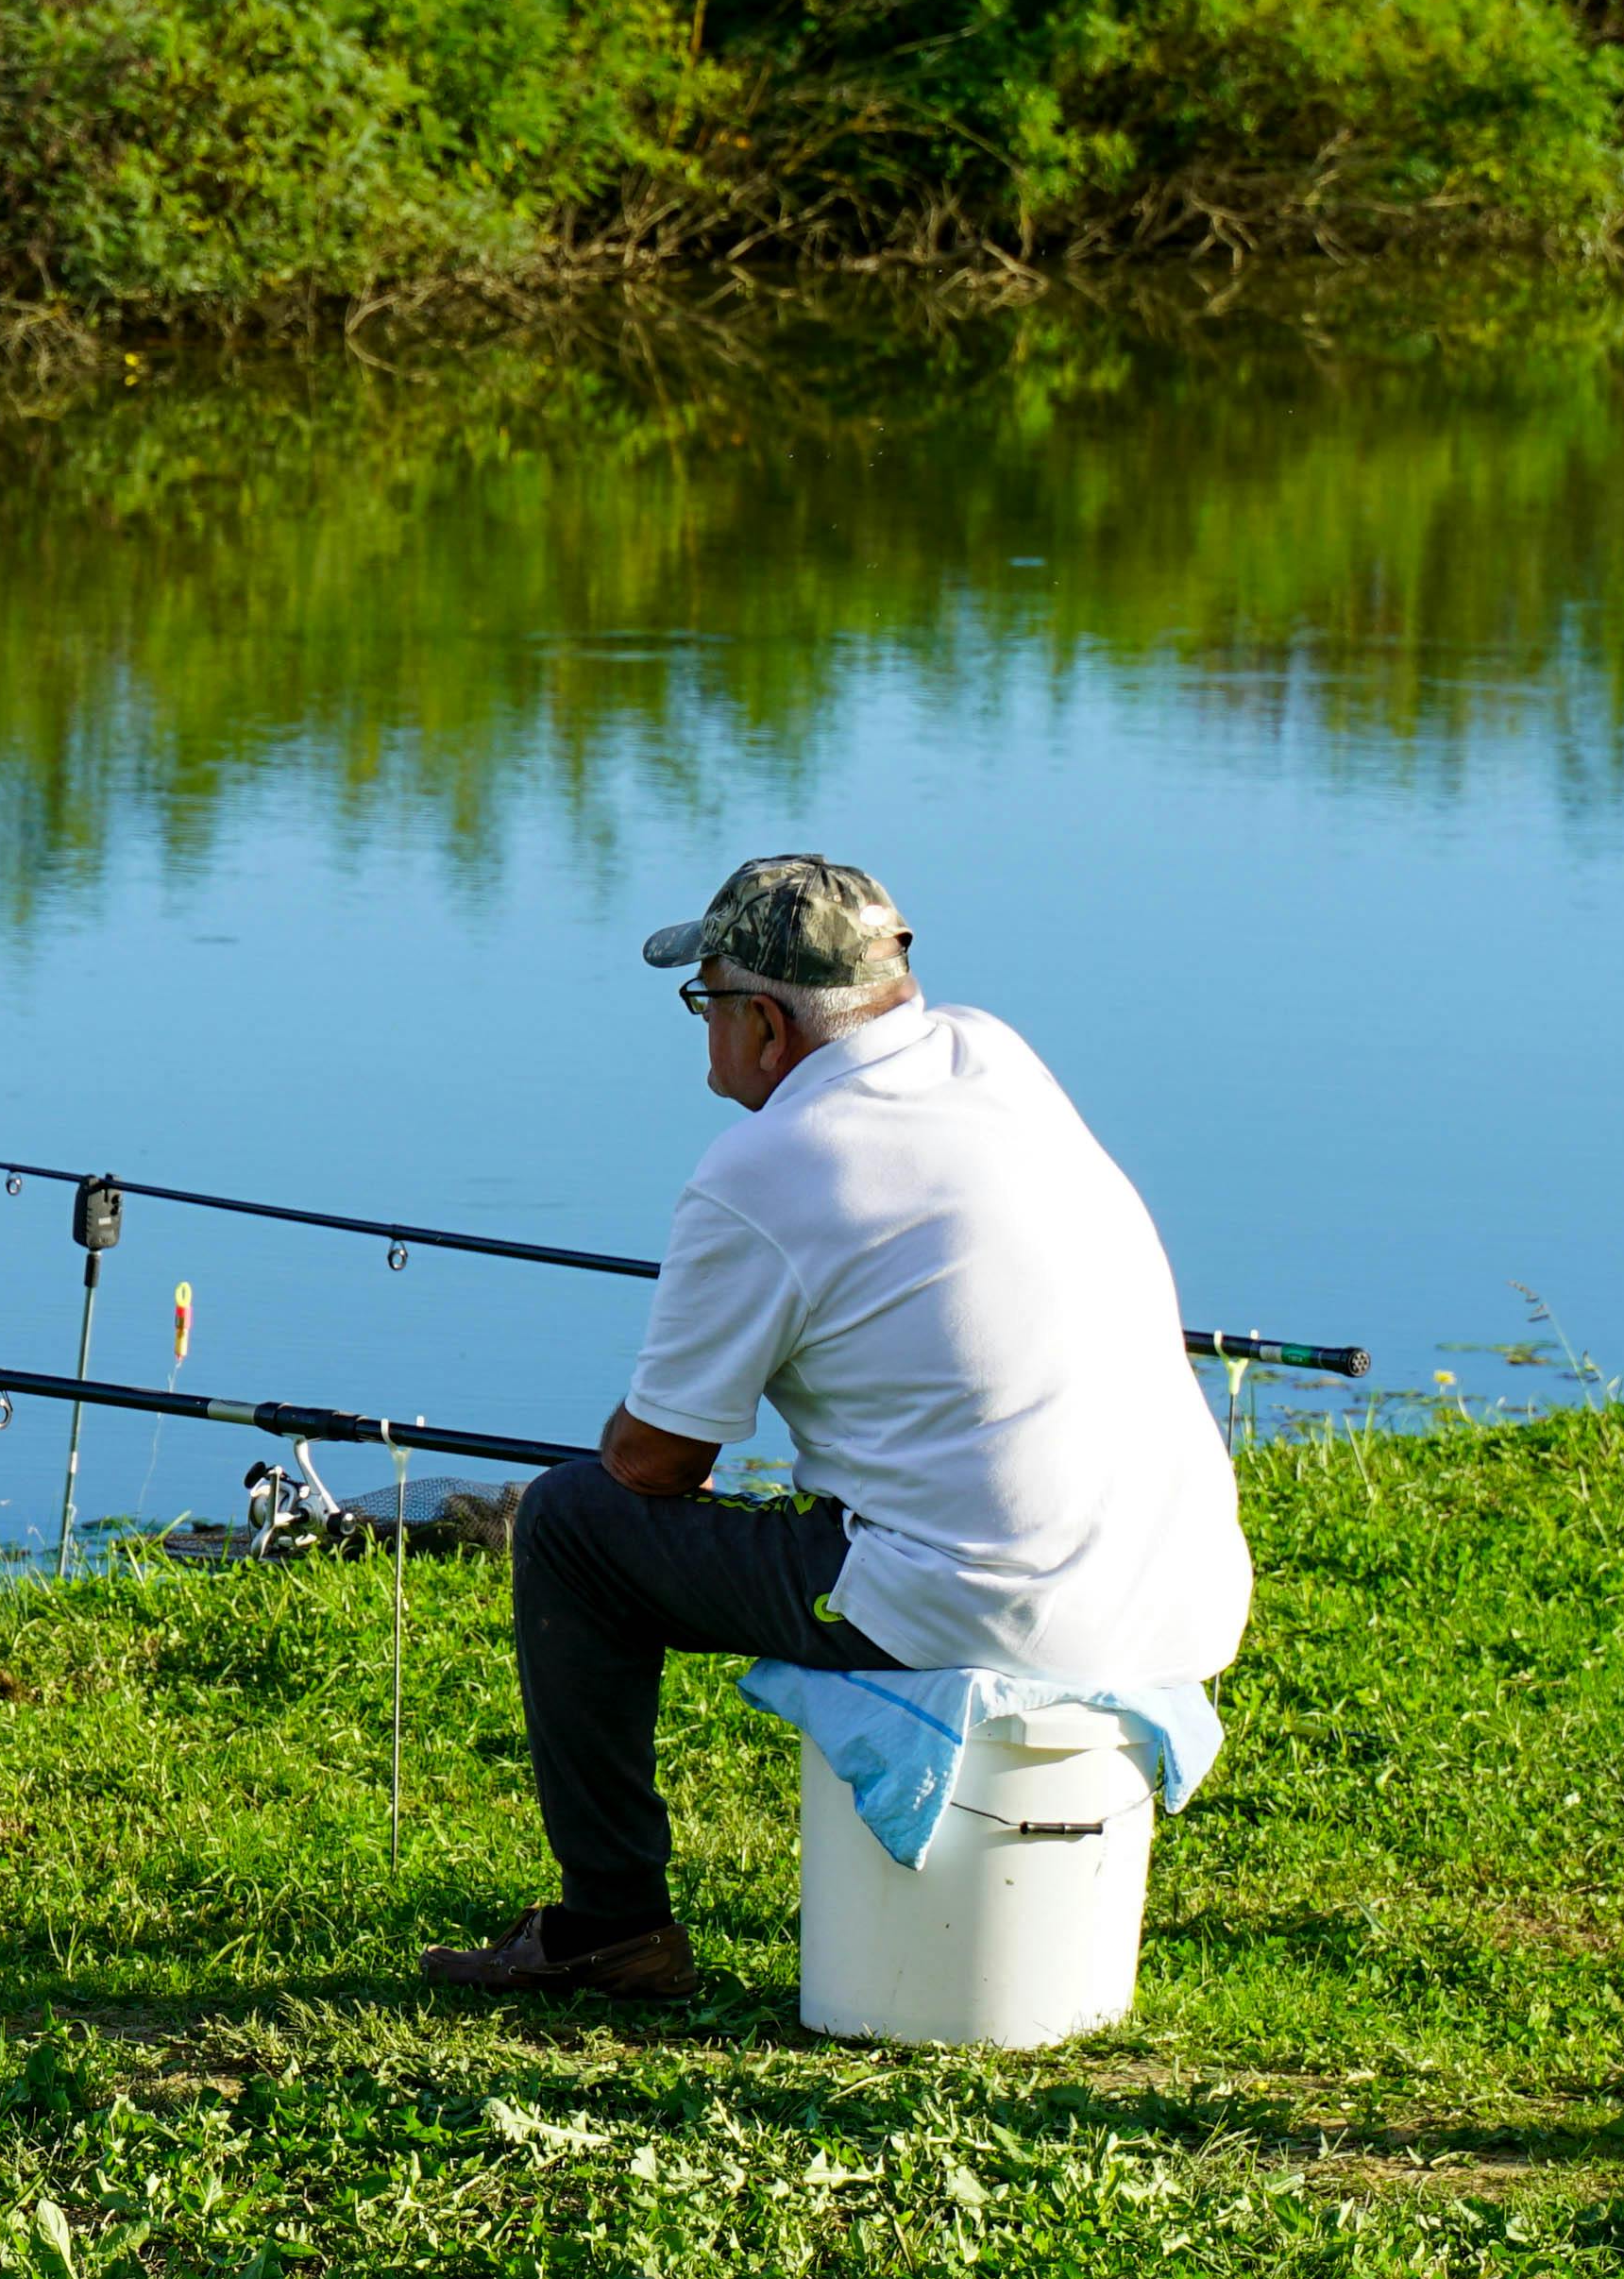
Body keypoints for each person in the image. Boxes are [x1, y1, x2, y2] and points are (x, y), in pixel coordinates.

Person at [419, 851, 1250, 2001]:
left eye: (704, 1000)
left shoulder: (762, 1168)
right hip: (1178, 1579)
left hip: (988, 1601)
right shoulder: (993, 1052)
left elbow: (653, 1465)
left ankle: (609, 1929)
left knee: (570, 1523)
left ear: (764, 1024)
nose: (698, 1026)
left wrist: (641, 1428)